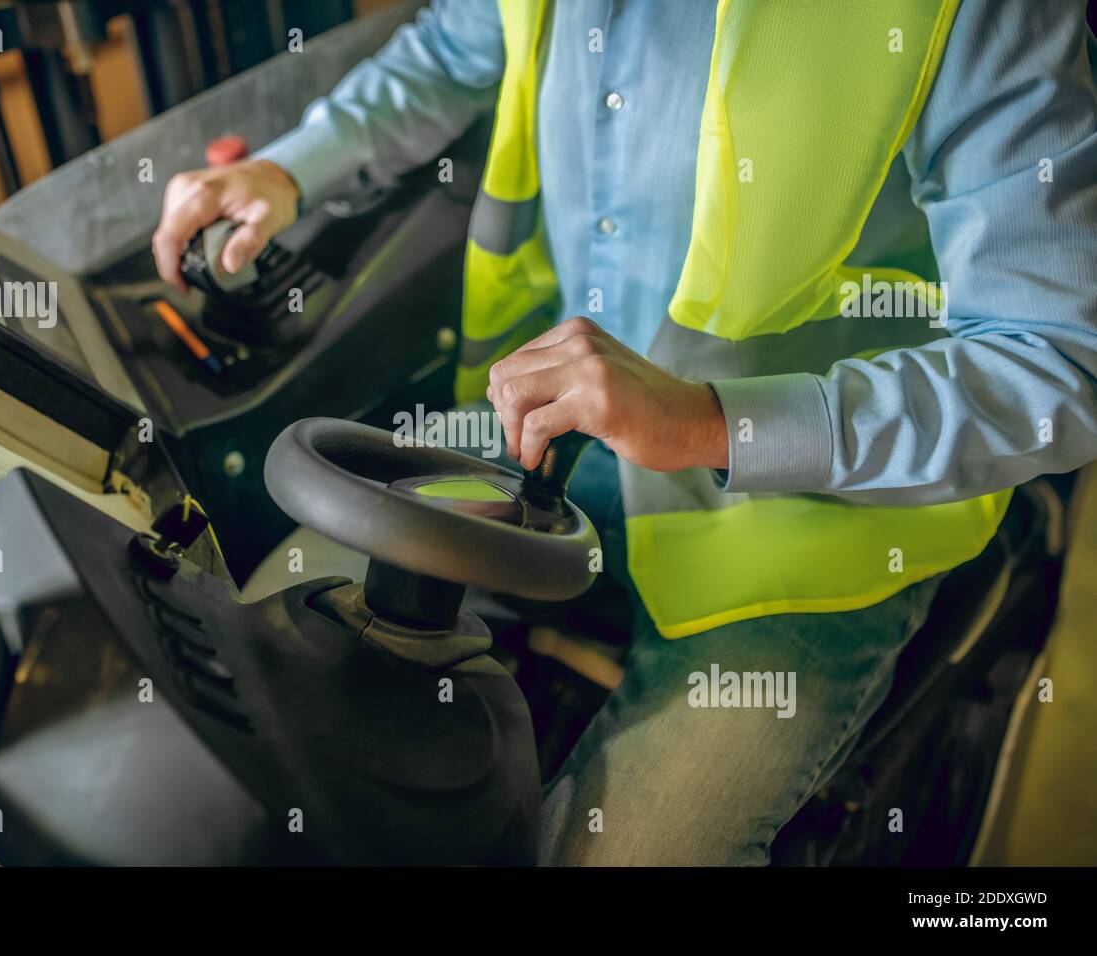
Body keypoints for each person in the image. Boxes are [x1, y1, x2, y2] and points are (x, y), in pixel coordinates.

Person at [152, 0, 1097, 865]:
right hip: (554, 435)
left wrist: (713, 421)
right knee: (275, 643)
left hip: (818, 525)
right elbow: (452, 44)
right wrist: (291, 166)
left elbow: (1059, 357)